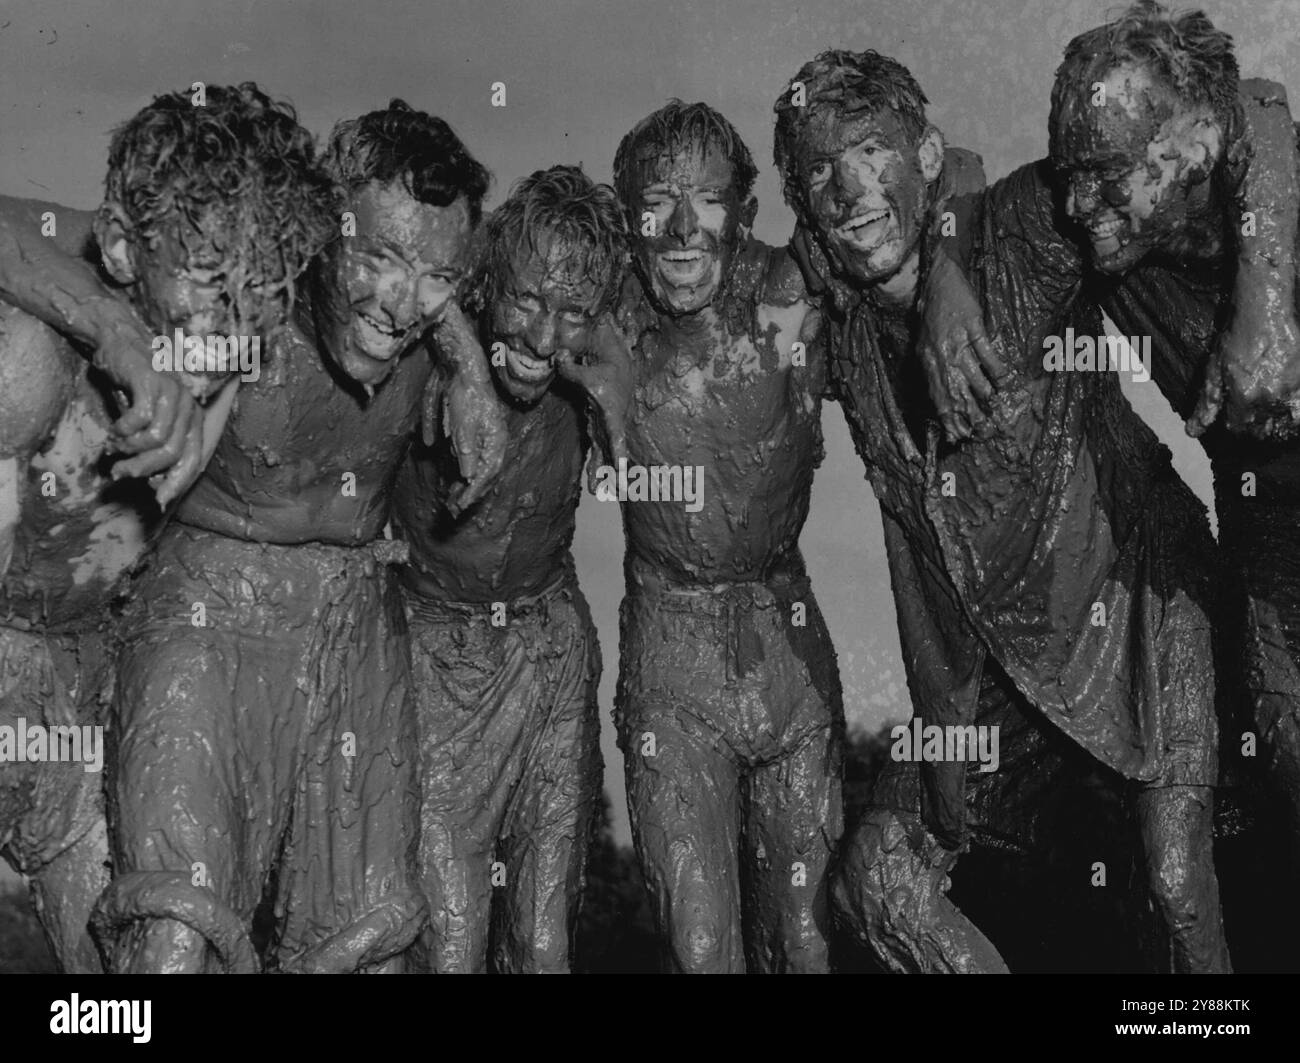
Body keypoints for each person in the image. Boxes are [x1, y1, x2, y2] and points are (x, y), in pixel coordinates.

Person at [774, 44, 1239, 971]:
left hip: (1138, 611)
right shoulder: (834, 325)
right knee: (876, 878)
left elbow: (1176, 146)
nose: (848, 189)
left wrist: (950, 272)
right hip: (994, 670)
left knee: (1178, 885)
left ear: (927, 156)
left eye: (871, 153)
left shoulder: (1026, 230)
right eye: (819, 170)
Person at [92, 99, 505, 973]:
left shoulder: (438, 324)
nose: (402, 304)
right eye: (381, 258)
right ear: (323, 224)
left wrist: (466, 356)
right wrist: (111, 332)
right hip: (204, 617)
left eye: (436, 277)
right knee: (173, 935)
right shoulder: (239, 290)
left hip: (356, 632)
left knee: (367, 945)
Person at [0, 82, 333, 971]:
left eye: (261, 290)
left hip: (68, 688)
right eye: (212, 280)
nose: (232, 322)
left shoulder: (240, 325)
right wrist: (115, 331)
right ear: (118, 245)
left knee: (126, 983)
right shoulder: (64, 298)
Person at [608, 101, 844, 973]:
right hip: (672, 655)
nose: (678, 229)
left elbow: (946, 198)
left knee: (808, 938)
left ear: (743, 212)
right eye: (656, 200)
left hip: (786, 644)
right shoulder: (604, 316)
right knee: (702, 946)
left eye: (706, 201)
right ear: (622, 208)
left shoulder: (790, 300)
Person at [392, 164, 630, 973]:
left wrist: (618, 407)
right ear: (488, 281)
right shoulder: (429, 333)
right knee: (448, 944)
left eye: (569, 314)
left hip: (549, 644)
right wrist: (459, 358)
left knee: (542, 941)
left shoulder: (605, 346)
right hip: (437, 648)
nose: (537, 336)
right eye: (524, 301)